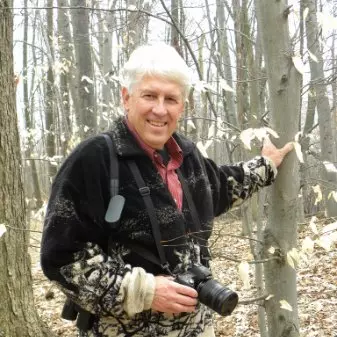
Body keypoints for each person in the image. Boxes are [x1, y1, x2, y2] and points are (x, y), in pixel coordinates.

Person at [41, 44, 293, 337]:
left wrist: (266, 166)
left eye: (170, 99)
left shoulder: (187, 156)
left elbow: (220, 188)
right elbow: (60, 259)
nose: (160, 109)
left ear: (182, 105)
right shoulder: (95, 159)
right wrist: (144, 292)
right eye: (149, 95)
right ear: (127, 98)